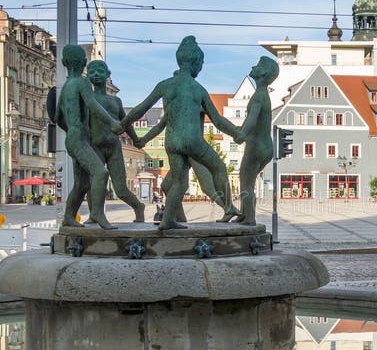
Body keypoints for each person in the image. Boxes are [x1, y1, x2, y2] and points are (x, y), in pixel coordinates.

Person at [122, 36, 241, 229]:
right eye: (201, 64)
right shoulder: (198, 89)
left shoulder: (165, 85)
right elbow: (218, 120)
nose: (201, 68)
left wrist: (123, 124)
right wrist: (237, 133)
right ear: (195, 63)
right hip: (193, 141)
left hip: (172, 142)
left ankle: (168, 220)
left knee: (178, 183)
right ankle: (229, 206)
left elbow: (140, 110)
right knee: (218, 167)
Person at [54, 44, 123, 230]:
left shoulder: (67, 85)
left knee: (82, 183)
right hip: (80, 140)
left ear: (63, 63)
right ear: (85, 63)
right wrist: (112, 123)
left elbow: (57, 116)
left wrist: (71, 129)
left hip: (73, 138)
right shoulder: (83, 83)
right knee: (101, 173)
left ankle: (69, 217)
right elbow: (93, 105)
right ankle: (98, 214)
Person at [85, 60, 146, 223]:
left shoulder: (115, 101)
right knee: (93, 183)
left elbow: (125, 122)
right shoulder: (87, 99)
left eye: (100, 71)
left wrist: (136, 140)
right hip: (94, 146)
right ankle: (94, 214)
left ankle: (138, 207)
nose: (96, 74)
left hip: (113, 147)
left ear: (107, 75)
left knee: (120, 189)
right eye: (92, 72)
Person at [233, 55, 279, 225]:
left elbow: (252, 119)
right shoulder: (262, 94)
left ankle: (249, 218)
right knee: (248, 182)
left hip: (256, 146)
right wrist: (240, 129)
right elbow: (252, 120)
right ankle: (245, 214)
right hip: (266, 146)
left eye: (258, 65)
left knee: (245, 181)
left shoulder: (259, 95)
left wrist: (242, 134)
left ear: (263, 73)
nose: (254, 66)